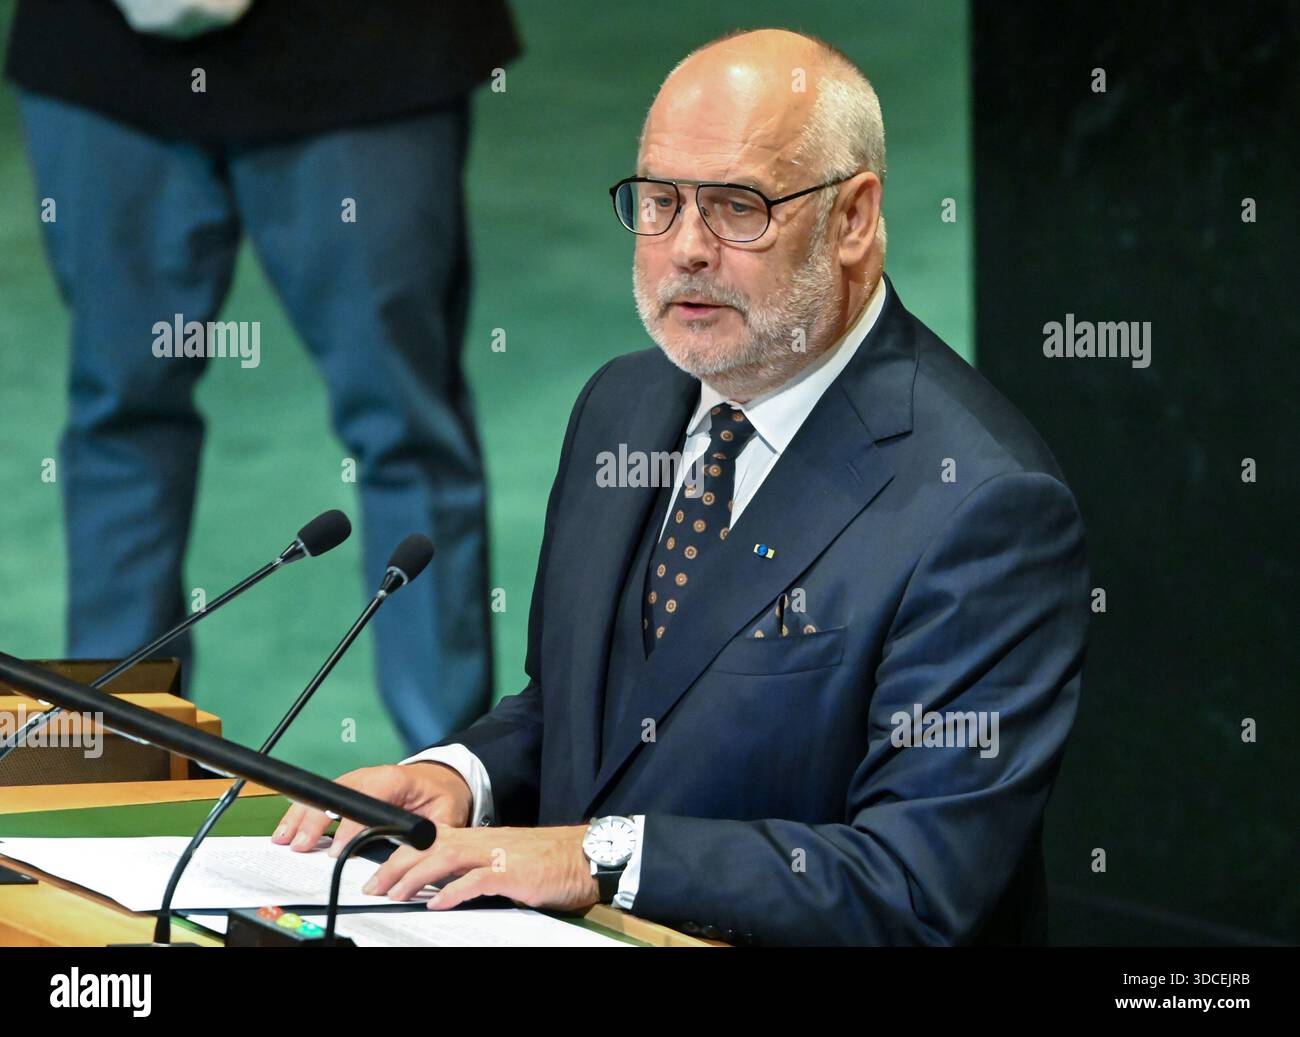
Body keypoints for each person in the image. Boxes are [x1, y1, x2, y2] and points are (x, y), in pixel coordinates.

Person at [274, 28, 1090, 946]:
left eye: (738, 207)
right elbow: (588, 714)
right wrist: (468, 774)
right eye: (659, 201)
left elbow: (914, 883)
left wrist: (600, 855)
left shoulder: (983, 505)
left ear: (855, 218)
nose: (686, 248)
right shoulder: (622, 405)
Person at [5, 0, 521, 750]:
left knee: (405, 423)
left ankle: (451, 790)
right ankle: (115, 764)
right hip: (102, 57)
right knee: (119, 413)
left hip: (368, 53)